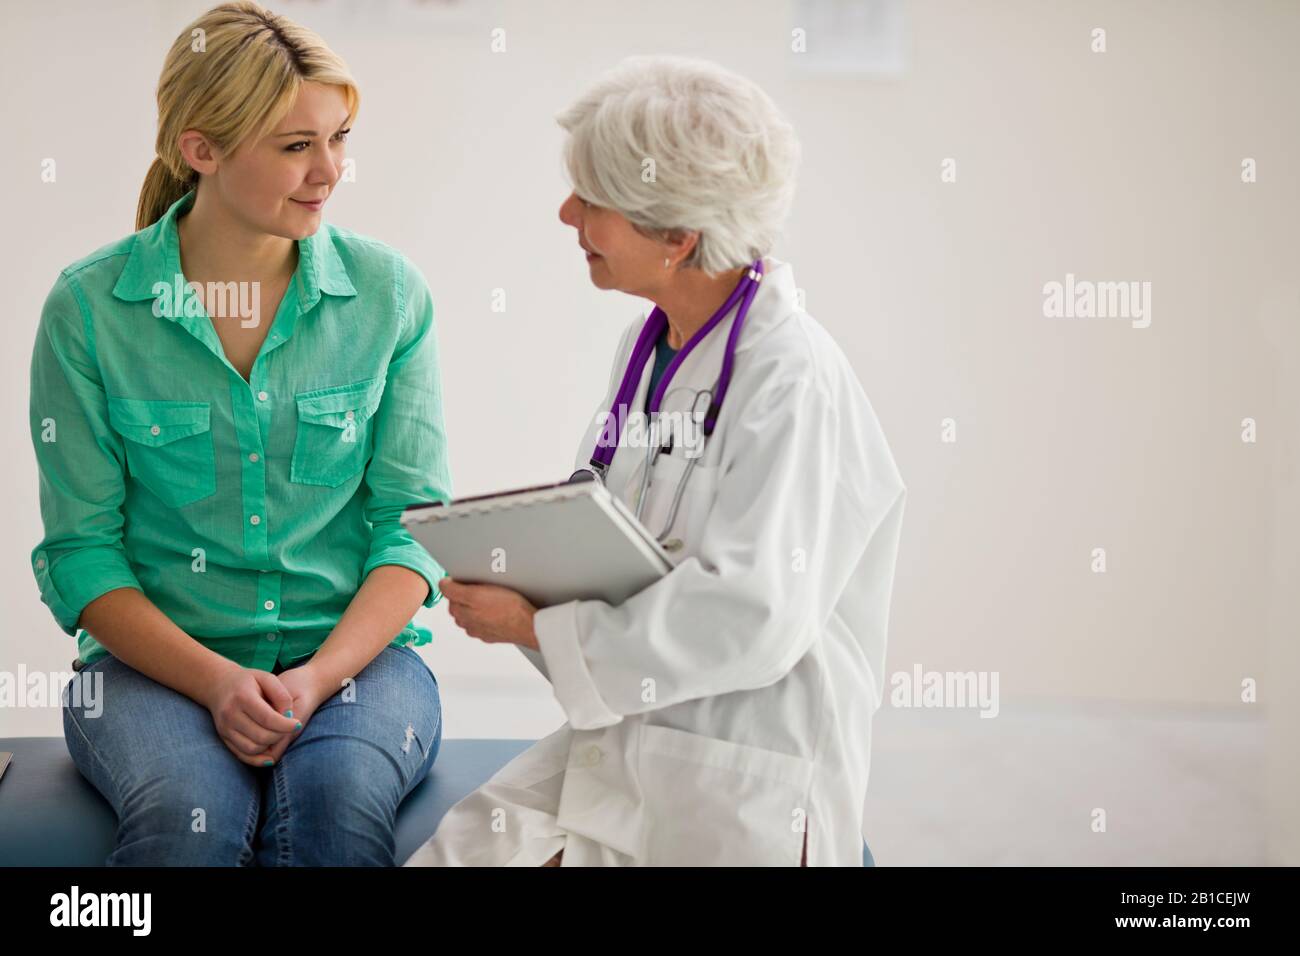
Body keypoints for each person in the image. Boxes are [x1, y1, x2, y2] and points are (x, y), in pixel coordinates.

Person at [404, 55, 906, 867]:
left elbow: (752, 615)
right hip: (627, 746)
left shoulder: (792, 380)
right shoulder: (655, 347)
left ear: (677, 237)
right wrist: (521, 571)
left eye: (592, 201)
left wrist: (535, 624)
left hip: (738, 783)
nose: (566, 213)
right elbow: (620, 551)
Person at [29, 1, 450, 865]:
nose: (329, 171)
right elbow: (81, 554)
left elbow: (411, 528)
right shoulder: (89, 311)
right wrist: (217, 683)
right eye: (297, 145)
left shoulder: (390, 296)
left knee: (337, 818)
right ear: (202, 148)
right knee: (185, 822)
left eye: (339, 138)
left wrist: (317, 677)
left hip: (357, 669)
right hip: (151, 676)